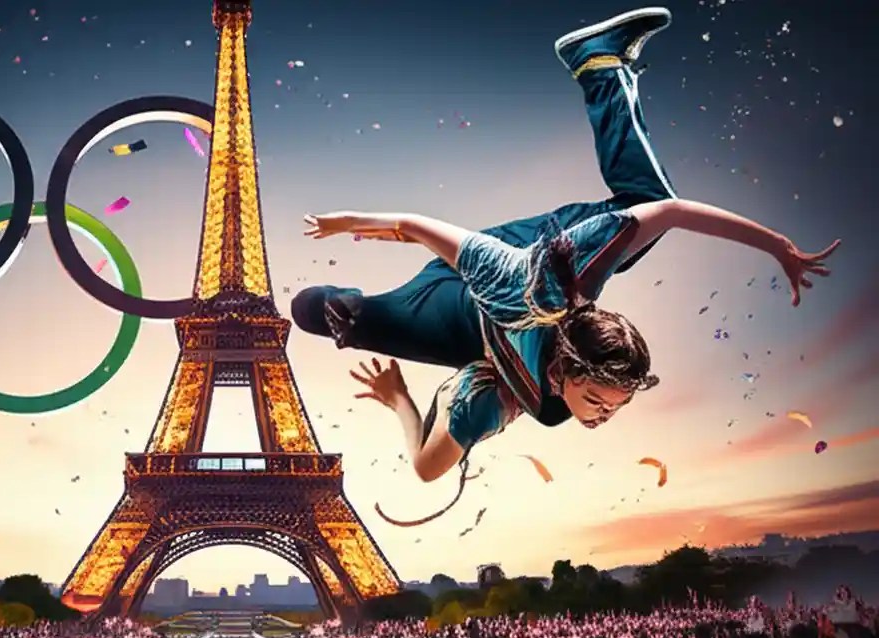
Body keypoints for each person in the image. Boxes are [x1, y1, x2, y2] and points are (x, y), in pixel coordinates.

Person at [293, 8, 839, 494]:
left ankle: (596, 63)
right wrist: (352, 224)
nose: (603, 417)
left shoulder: (504, 401)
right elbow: (418, 224)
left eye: (610, 406)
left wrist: (399, 399)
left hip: (474, 346)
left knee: (649, 206)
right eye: (601, 401)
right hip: (474, 285)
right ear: (571, 370)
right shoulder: (543, 283)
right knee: (321, 311)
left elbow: (424, 467)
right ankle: (598, 64)